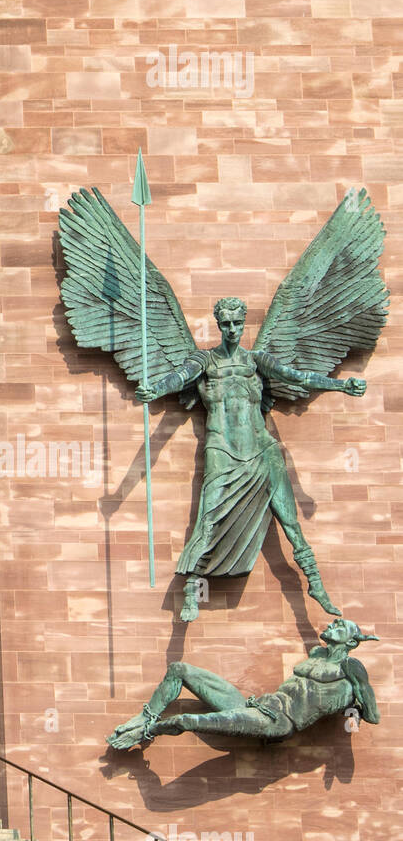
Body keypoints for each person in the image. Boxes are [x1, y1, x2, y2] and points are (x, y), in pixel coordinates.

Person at [135, 297, 364, 621]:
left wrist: (340, 385)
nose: (232, 330)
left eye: (237, 324)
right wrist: (155, 390)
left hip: (261, 448)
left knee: (291, 522)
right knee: (207, 518)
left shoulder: (256, 361)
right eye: (226, 324)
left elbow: (299, 377)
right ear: (218, 325)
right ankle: (190, 591)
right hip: (221, 449)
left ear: (244, 324)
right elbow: (179, 378)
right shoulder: (206, 361)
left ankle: (316, 585)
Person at [108, 618, 380, 748]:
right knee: (179, 669)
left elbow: (373, 715)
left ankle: (147, 732)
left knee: (186, 721)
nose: (333, 625)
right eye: (334, 622)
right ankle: (144, 718)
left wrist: (350, 705)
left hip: (277, 722)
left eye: (340, 626)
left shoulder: (351, 667)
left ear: (352, 642)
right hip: (255, 706)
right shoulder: (317, 654)